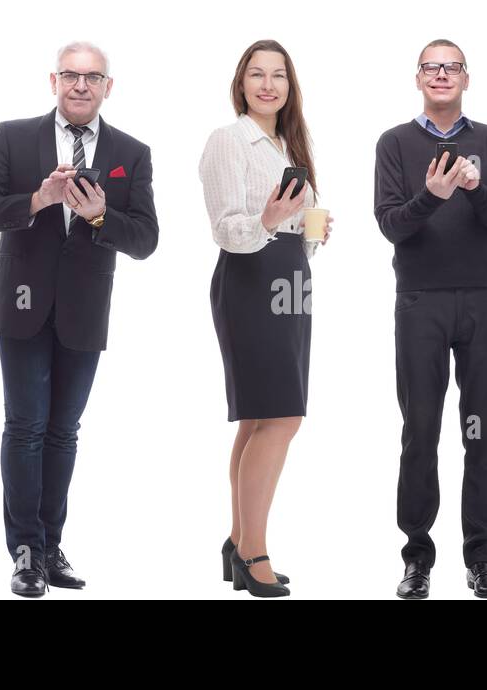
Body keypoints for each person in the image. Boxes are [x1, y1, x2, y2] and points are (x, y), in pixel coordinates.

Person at [0, 41, 159, 598]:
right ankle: (25, 554)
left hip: (84, 311)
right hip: (20, 306)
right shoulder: (14, 136)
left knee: (63, 431)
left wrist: (101, 216)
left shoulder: (132, 152)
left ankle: (50, 546)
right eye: (71, 76)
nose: (80, 86)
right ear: (53, 81)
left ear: (107, 87)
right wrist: (37, 200)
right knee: (25, 427)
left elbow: (146, 239)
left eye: (92, 78)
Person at [375, 39, 487, 599]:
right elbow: (391, 224)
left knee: (482, 433)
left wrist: (476, 189)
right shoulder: (395, 143)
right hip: (420, 303)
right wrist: (432, 196)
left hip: (484, 301)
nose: (441, 75)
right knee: (420, 433)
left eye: (451, 67)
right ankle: (417, 558)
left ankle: (481, 558)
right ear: (418, 78)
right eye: (431, 67)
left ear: (466, 77)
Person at [200, 39, 332, 598]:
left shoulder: (286, 142)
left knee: (260, 419)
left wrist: (311, 231)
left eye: (278, 75)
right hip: (250, 283)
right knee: (280, 416)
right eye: (257, 74)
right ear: (241, 82)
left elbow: (296, 230)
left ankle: (237, 542)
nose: (268, 84)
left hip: (291, 282)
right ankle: (254, 550)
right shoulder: (228, 141)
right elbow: (226, 229)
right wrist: (270, 217)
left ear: (289, 87)